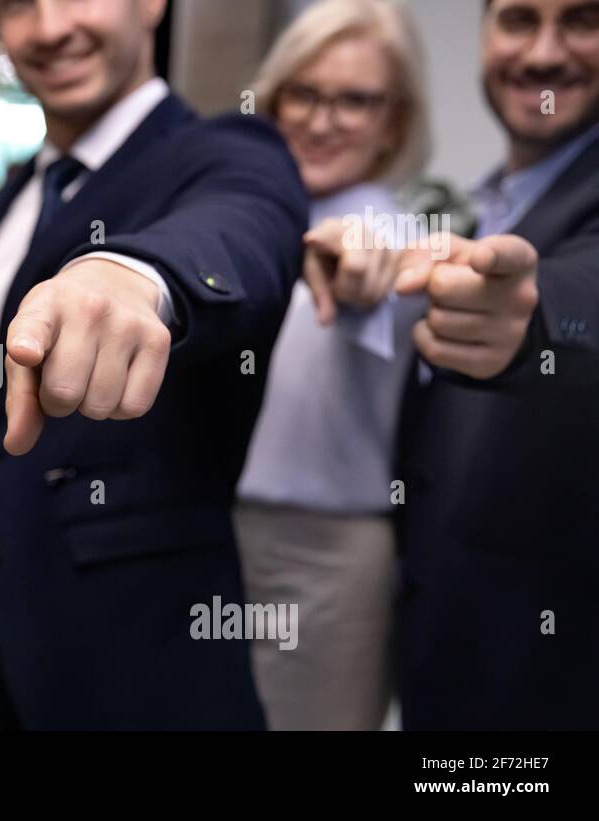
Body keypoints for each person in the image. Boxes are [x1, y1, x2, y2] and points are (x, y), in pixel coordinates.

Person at [0, 0, 308, 730]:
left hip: (129, 687)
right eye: (21, 5)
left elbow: (244, 226)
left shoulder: (227, 153)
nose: (51, 28)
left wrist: (136, 274)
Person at [310, 0, 599, 729]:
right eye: (517, 20)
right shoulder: (477, 203)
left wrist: (536, 322)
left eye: (583, 20)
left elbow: (575, 291)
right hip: (452, 656)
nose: (541, 53)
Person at [233, 0, 431, 730]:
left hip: (325, 555)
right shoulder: (246, 220)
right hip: (212, 533)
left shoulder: (398, 235)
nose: (321, 121)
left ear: (394, 119)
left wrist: (358, 261)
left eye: (355, 100)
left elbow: (363, 260)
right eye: (306, 93)